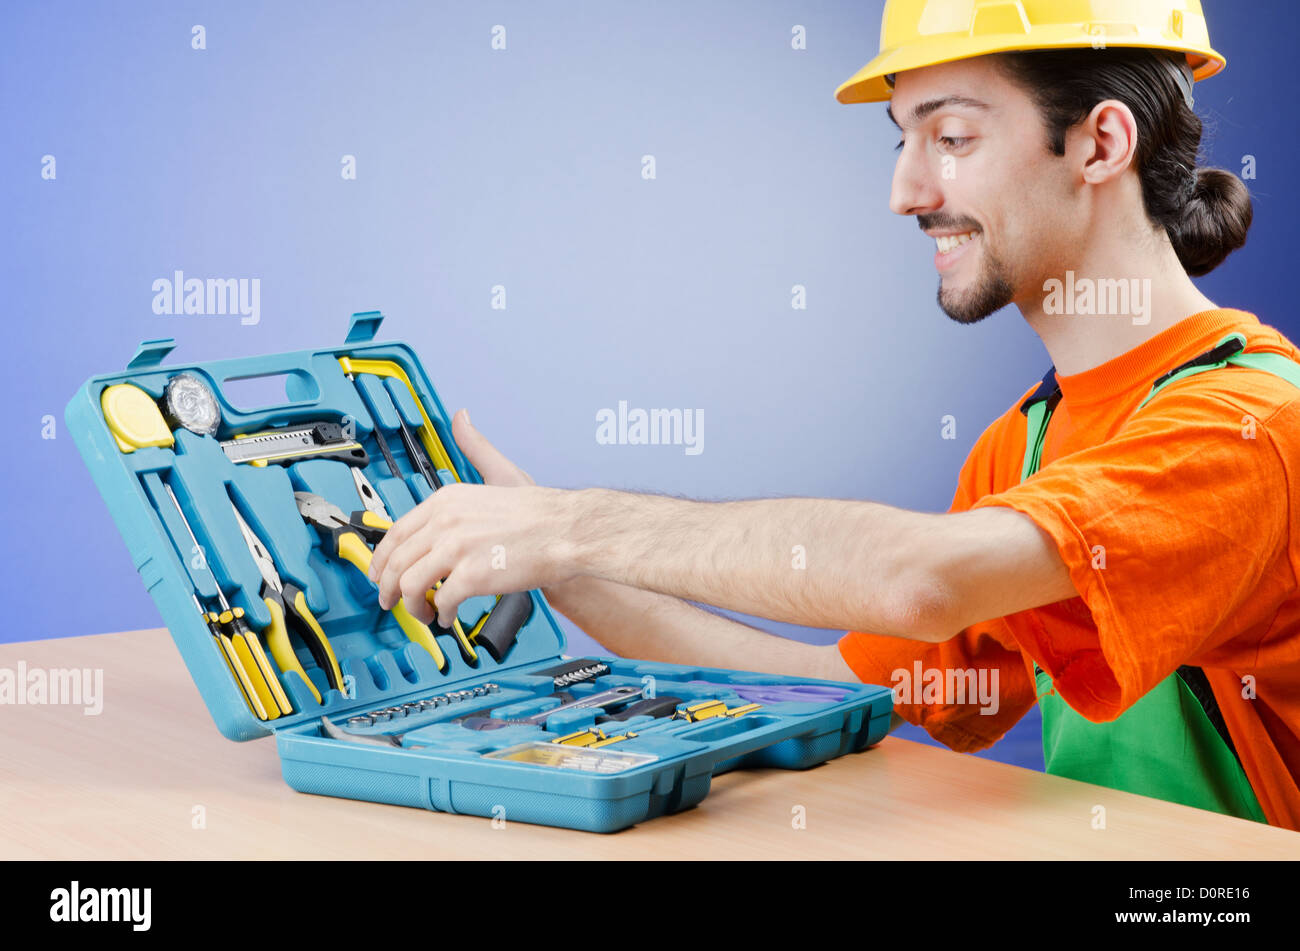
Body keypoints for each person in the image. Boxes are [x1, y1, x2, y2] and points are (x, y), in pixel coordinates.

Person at [369, 0, 1300, 831]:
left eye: (953, 138)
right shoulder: (1027, 444)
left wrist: (576, 526)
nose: (905, 192)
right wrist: (563, 565)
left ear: (1100, 144)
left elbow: (921, 582)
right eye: (902, 139)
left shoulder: (1252, 425)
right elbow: (832, 694)